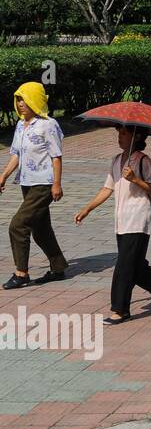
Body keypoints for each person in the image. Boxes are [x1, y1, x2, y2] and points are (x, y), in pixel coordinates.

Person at [74, 126, 151, 325]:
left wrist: (135, 179)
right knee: (135, 265)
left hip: (138, 218)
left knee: (123, 266)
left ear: (136, 136)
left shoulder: (143, 161)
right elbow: (107, 188)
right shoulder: (115, 161)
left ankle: (120, 310)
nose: (119, 137)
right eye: (119, 133)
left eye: (124, 133)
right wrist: (87, 208)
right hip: (121, 220)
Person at [1, 82, 69, 289]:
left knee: (18, 225)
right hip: (27, 182)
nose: (20, 104)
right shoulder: (21, 125)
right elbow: (16, 154)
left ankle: (21, 273)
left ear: (36, 100)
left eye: (24, 99)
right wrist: (3, 176)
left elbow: (56, 156)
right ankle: (58, 268)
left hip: (44, 184)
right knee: (40, 228)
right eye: (18, 99)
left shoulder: (48, 125)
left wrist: (56, 184)